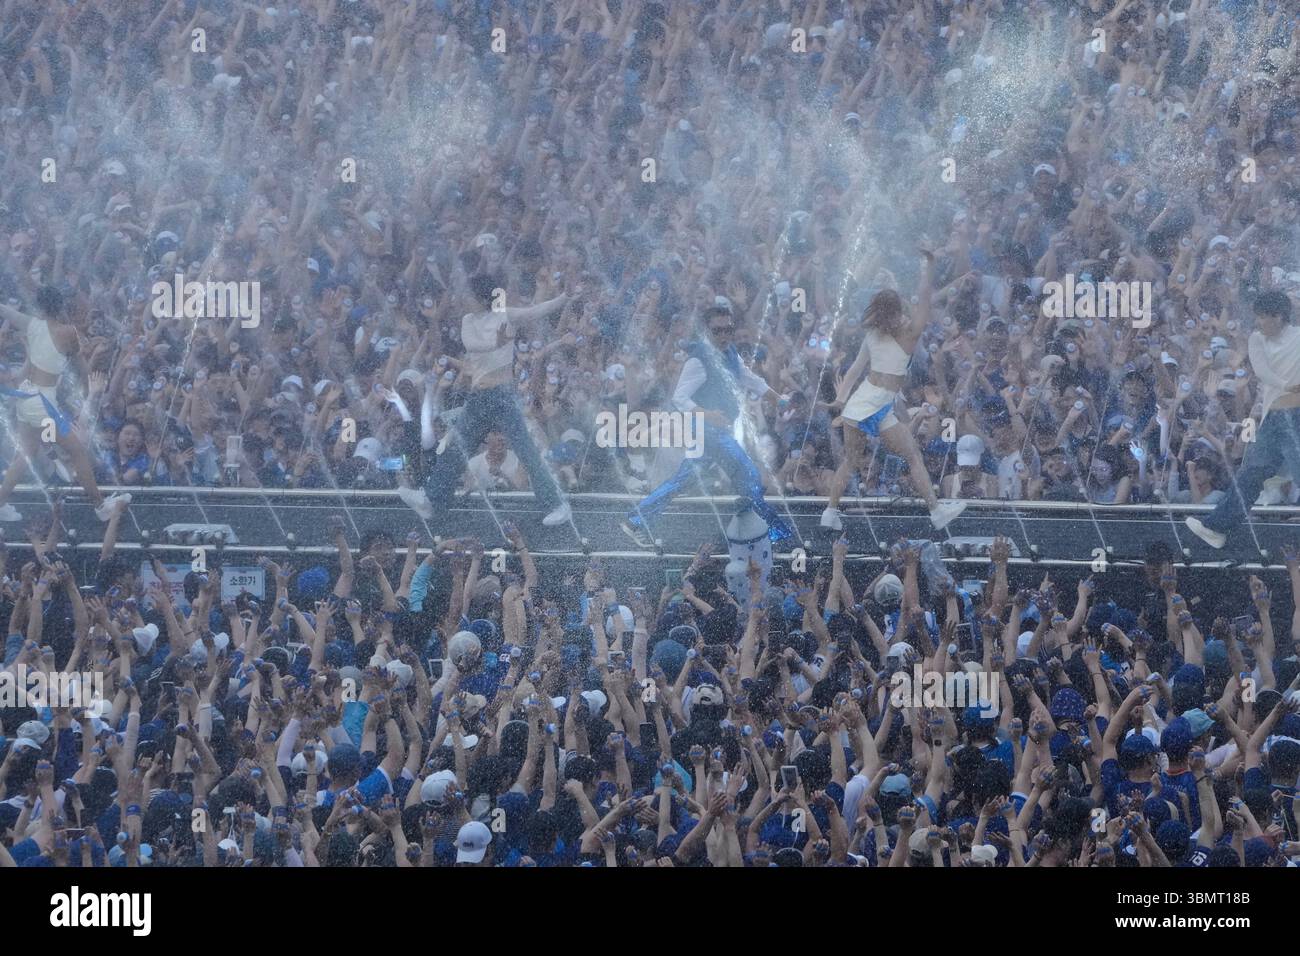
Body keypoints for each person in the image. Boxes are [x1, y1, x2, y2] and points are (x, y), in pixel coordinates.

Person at [399, 274, 571, 530]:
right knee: (456, 450)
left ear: (480, 298)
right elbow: (473, 344)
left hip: (502, 395)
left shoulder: (505, 315)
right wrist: (496, 342)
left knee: (527, 450)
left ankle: (557, 504)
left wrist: (565, 296)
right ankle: (432, 500)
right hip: (479, 397)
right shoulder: (468, 321)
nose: (462, 299)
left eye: (467, 294)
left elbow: (535, 311)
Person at [621, 301, 793, 546]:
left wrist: (779, 400)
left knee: (682, 480)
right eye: (717, 331)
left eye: (727, 329)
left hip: (715, 432)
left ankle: (634, 520)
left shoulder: (730, 353)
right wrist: (707, 414)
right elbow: (679, 398)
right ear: (706, 332)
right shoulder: (698, 360)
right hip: (708, 432)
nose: (724, 335)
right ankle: (777, 533)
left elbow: (749, 378)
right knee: (750, 475)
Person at [821, 251, 966, 531]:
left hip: (862, 401)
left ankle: (830, 512)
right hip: (878, 403)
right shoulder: (909, 335)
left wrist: (841, 399)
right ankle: (936, 512)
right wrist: (930, 267)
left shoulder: (872, 335)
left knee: (851, 461)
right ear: (897, 312)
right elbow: (925, 299)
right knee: (912, 456)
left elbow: (853, 371)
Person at [0, 288, 131, 522]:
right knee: (77, 450)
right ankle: (100, 506)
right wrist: (90, 389)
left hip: (26, 398)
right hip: (42, 401)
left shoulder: (31, 325)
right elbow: (81, 368)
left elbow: (5, 311)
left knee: (25, 455)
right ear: (60, 306)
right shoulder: (68, 332)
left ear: (38, 306)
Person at [1186, 292, 1300, 548]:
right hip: (1274, 419)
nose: (1258, 322)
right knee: (1250, 474)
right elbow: (1262, 372)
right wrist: (1288, 385)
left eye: (1262, 317)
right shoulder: (1257, 339)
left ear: (1278, 316)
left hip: (1295, 417)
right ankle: (1216, 528)